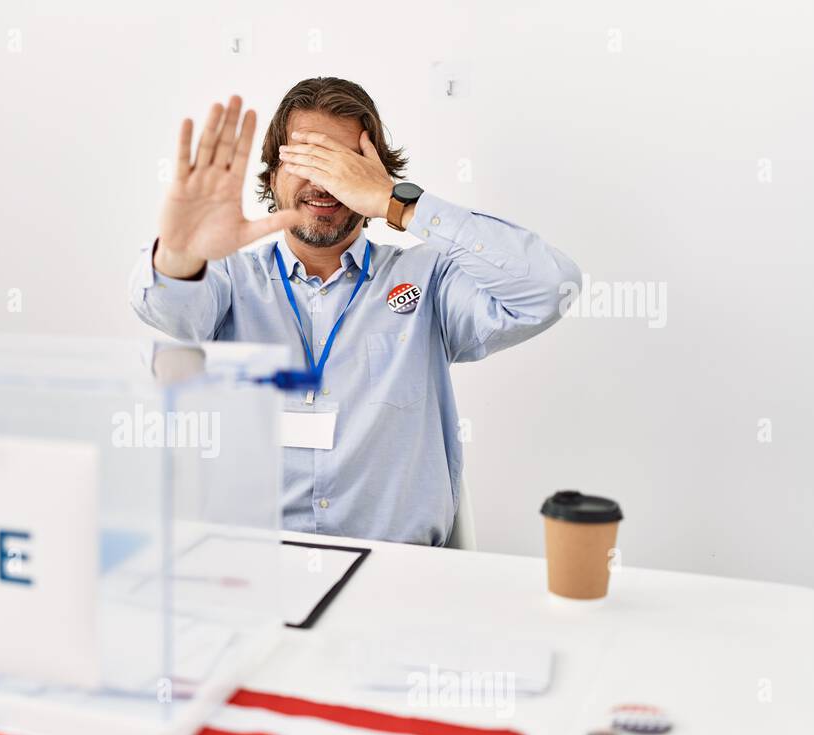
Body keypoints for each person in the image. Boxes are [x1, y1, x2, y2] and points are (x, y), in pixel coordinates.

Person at [130, 77, 581, 546]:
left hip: (397, 578)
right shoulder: (227, 280)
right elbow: (167, 307)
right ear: (270, 179)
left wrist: (401, 204)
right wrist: (182, 252)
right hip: (251, 574)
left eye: (342, 165)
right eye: (304, 160)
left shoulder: (429, 280)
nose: (323, 181)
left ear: (374, 176)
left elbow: (550, 287)